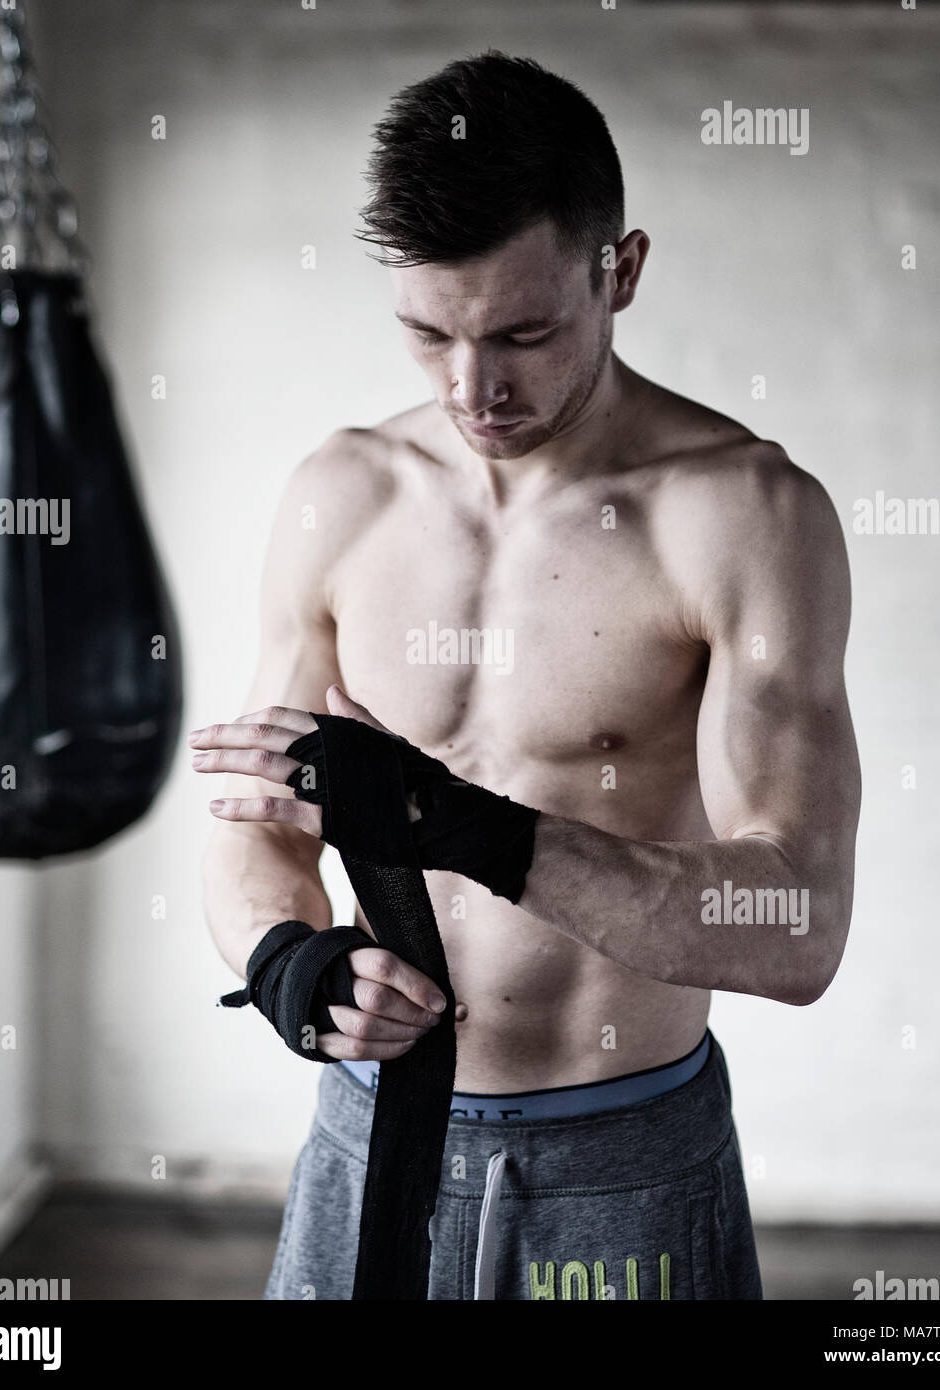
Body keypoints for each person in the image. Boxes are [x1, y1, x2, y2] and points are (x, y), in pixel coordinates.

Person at [193, 50, 860, 1301]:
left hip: (621, 1157)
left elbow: (799, 927)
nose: (473, 389)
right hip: (368, 1132)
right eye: (426, 333)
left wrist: (474, 831)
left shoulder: (743, 517)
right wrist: (290, 961)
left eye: (524, 333)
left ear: (622, 271)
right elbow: (257, 818)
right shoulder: (341, 494)